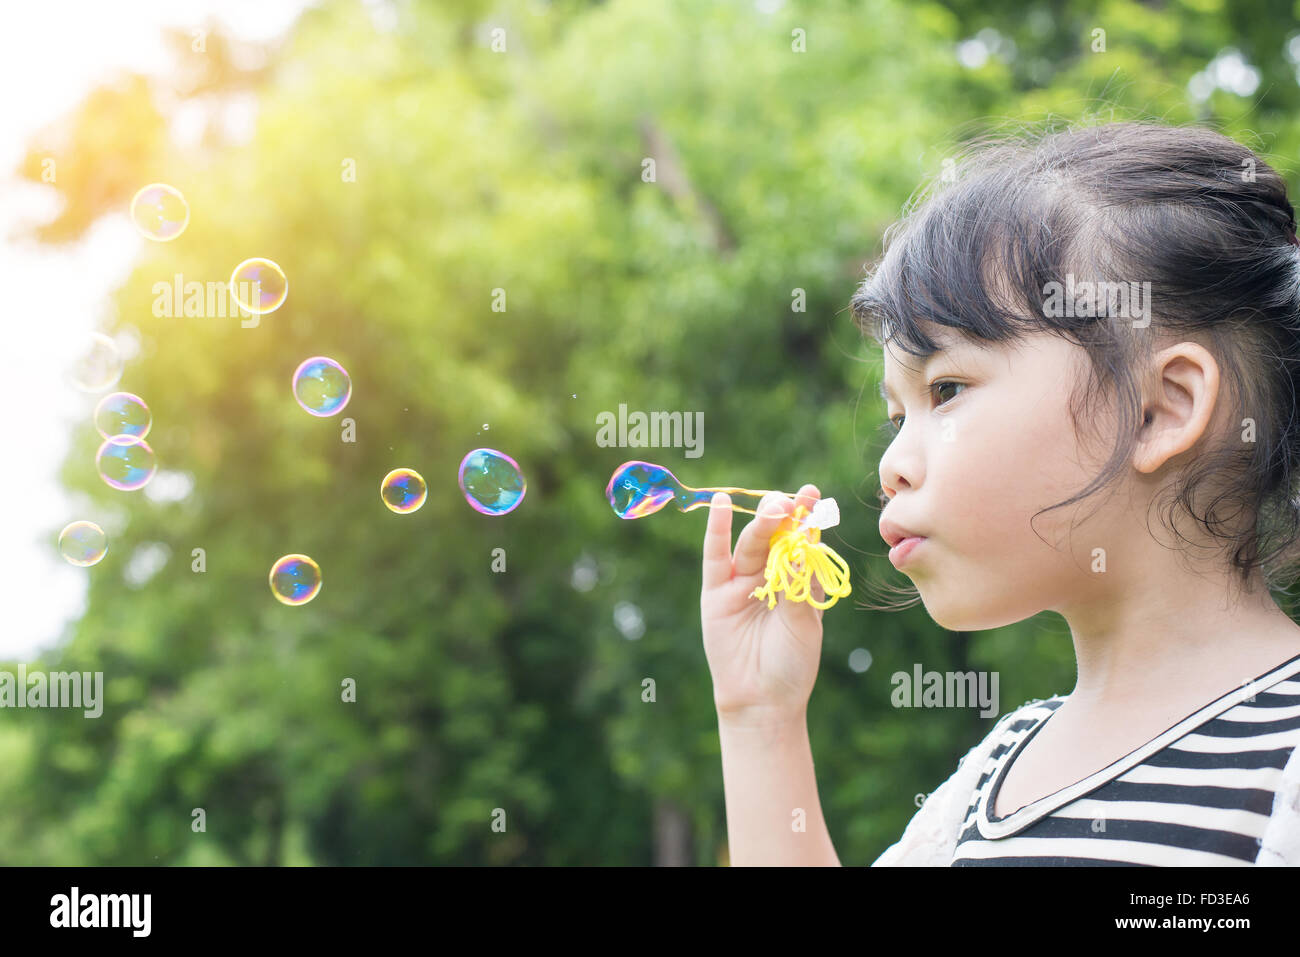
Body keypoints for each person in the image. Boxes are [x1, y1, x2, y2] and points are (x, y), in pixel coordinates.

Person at [701, 121, 1300, 866]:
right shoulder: (987, 782)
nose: (892, 464)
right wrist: (761, 718)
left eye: (945, 389)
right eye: (896, 415)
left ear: (1160, 409)